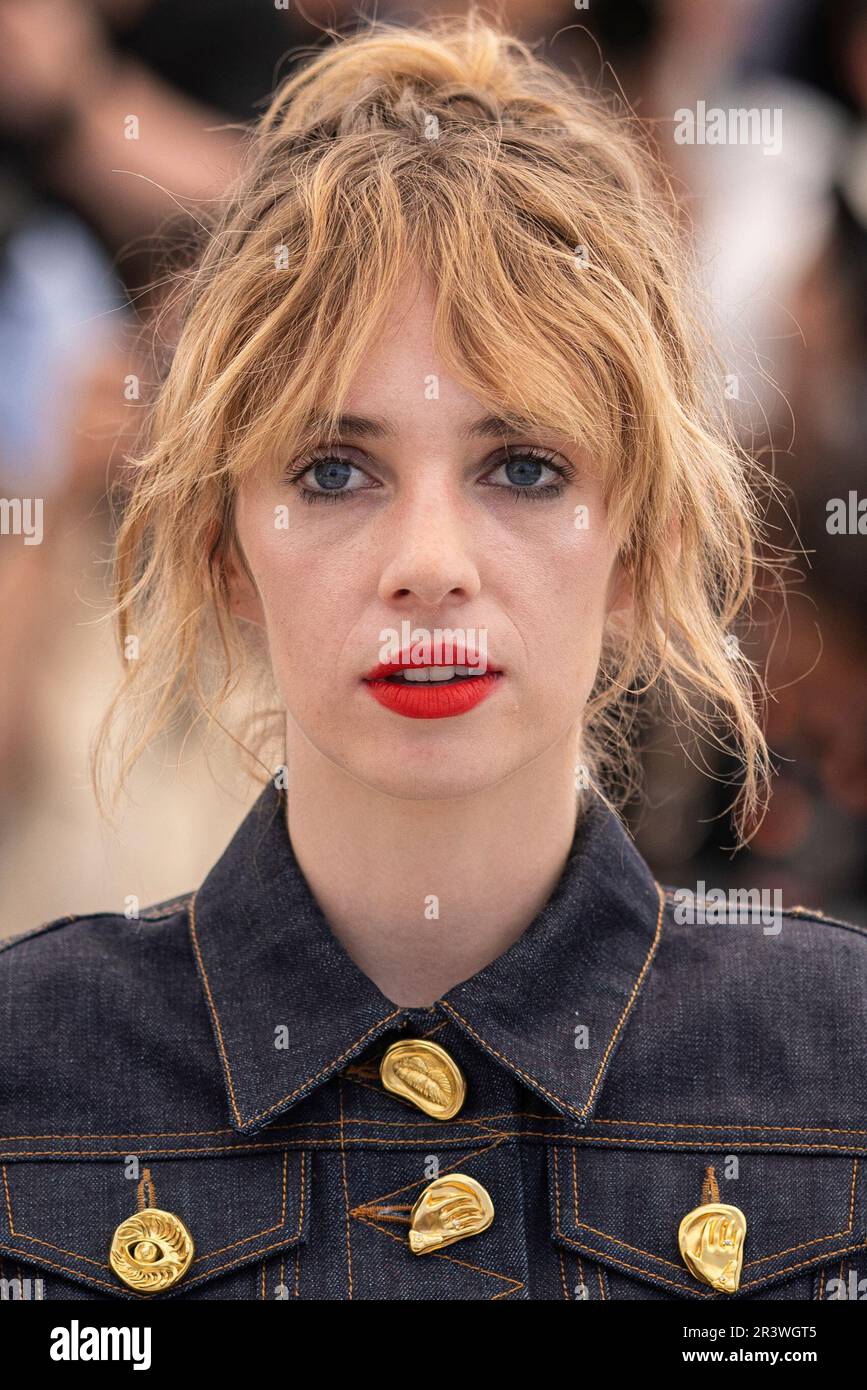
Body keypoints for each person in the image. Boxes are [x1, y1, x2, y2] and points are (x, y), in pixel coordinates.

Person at [2, 11, 866, 1304]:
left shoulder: (837, 1064)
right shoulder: (33, 1069)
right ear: (224, 546)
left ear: (644, 543)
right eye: (334, 470)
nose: (429, 560)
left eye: (524, 467)